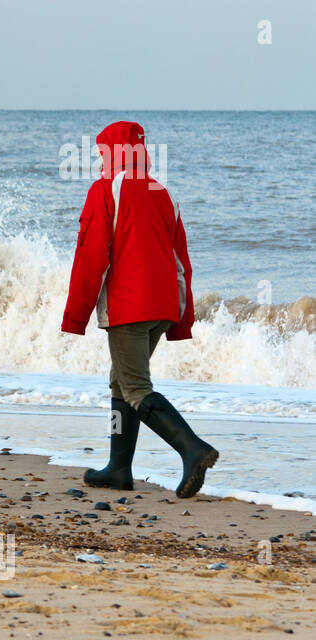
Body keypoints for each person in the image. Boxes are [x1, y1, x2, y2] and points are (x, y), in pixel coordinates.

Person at [61, 120, 217, 499]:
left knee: (134, 388)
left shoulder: (105, 190)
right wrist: (180, 318)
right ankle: (118, 468)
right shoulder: (162, 192)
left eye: (101, 153)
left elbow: (91, 258)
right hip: (162, 308)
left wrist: (75, 315)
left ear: (113, 152)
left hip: (129, 307)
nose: (99, 161)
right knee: (121, 381)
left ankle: (192, 449)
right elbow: (181, 262)